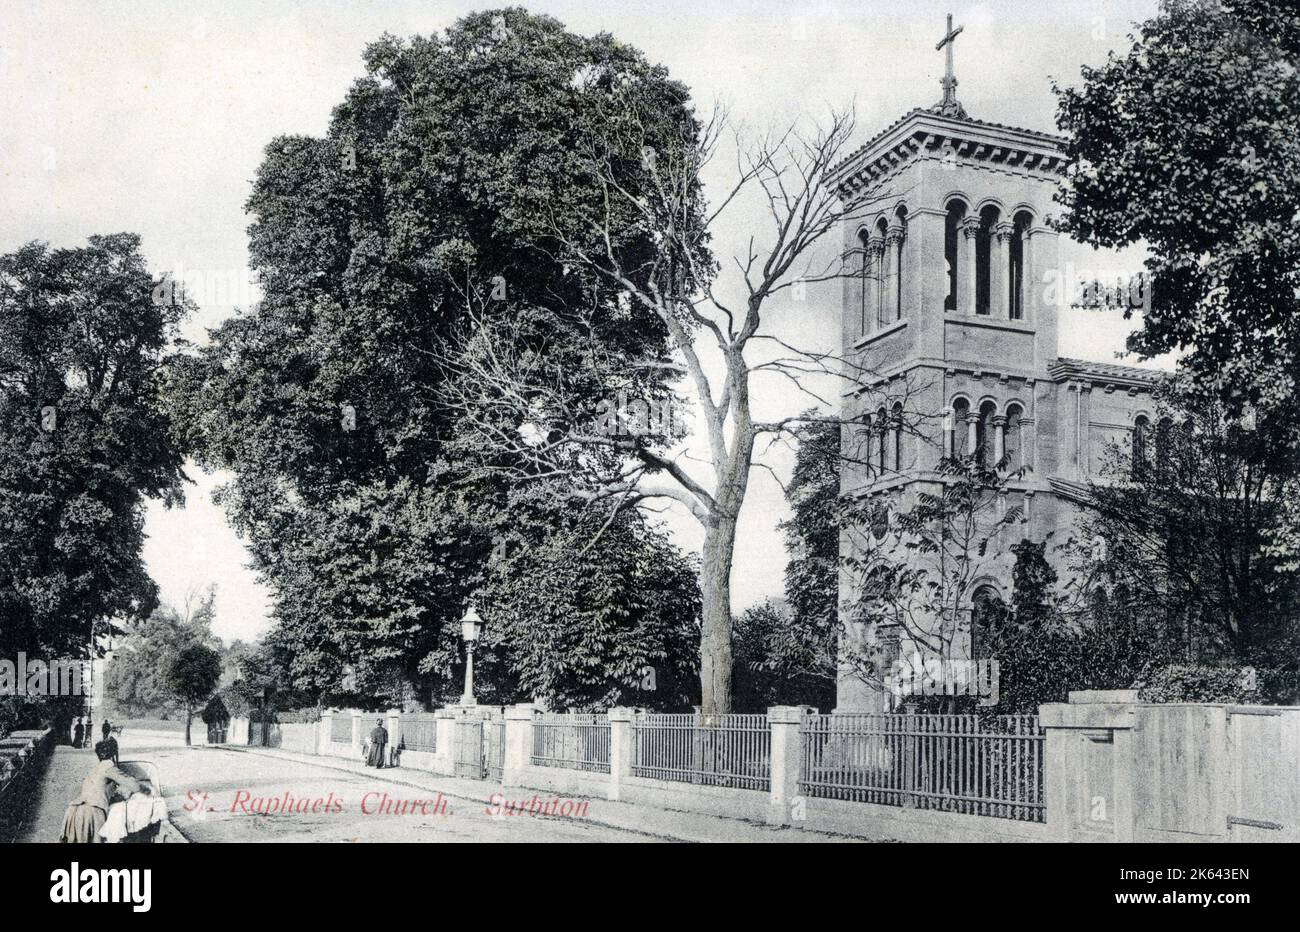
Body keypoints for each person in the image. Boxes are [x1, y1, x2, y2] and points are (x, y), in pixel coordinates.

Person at [59, 740, 141, 843]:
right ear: (113, 754)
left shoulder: (96, 768)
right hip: (91, 812)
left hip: (74, 811)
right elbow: (135, 786)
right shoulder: (108, 767)